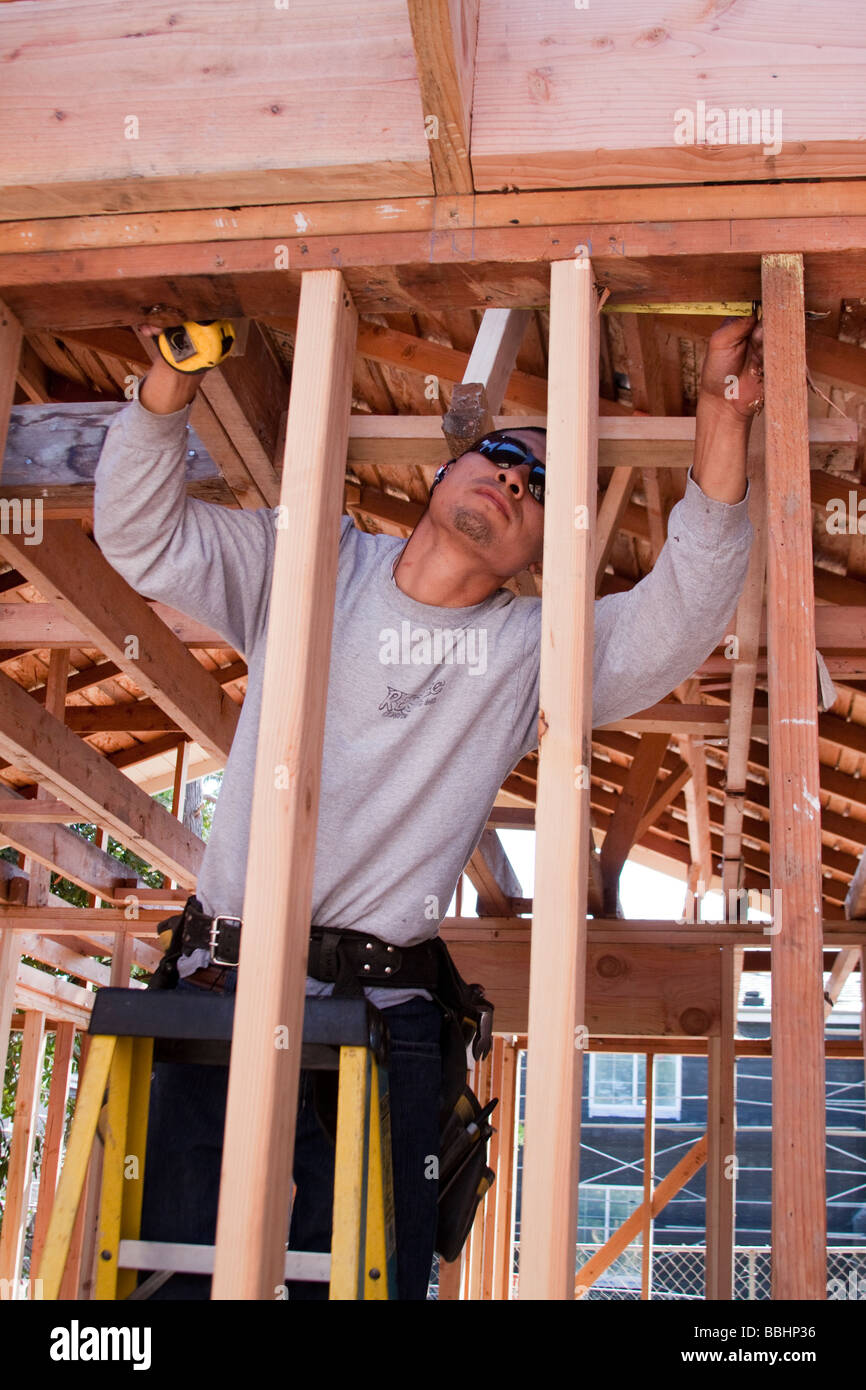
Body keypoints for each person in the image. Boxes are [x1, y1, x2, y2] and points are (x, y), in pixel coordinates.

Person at [92, 313, 762, 1300]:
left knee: (365, 1285)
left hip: (382, 1014)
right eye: (500, 456)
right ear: (444, 473)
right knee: (164, 1291)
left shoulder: (535, 650)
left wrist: (718, 412)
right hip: (215, 988)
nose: (512, 482)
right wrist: (169, 380)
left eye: (538, 491)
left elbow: (683, 608)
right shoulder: (307, 565)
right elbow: (138, 532)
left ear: (538, 549)